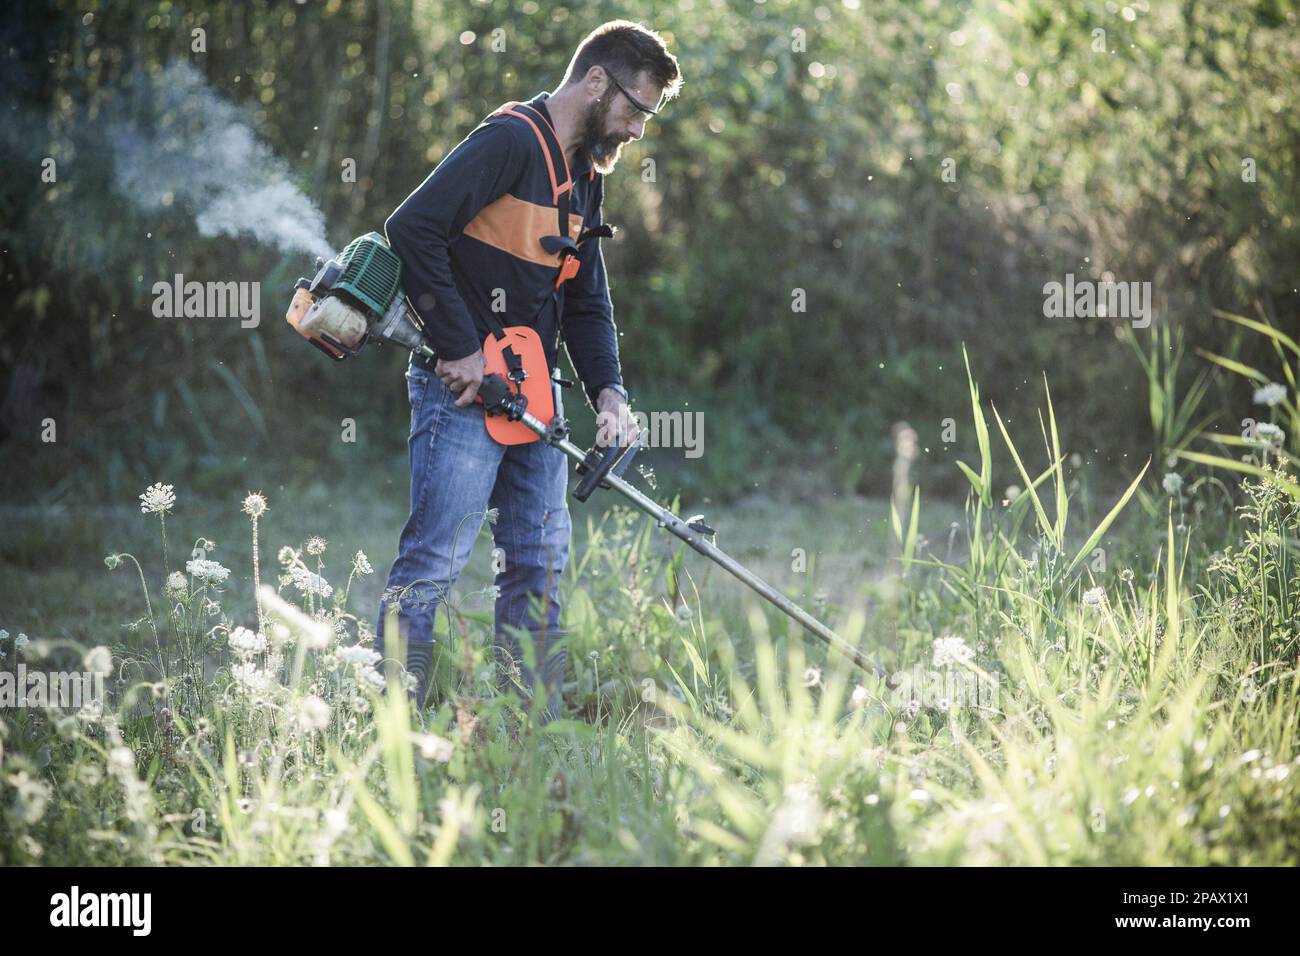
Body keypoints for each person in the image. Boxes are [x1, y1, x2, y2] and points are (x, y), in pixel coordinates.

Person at [376, 20, 683, 718]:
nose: (639, 128)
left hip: (534, 396)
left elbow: (586, 299)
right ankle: (394, 728)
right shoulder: (510, 141)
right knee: (431, 566)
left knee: (539, 565)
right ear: (597, 81)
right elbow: (412, 228)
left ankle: (533, 730)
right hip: (462, 393)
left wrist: (609, 392)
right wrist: (458, 347)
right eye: (637, 108)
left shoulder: (583, 176)